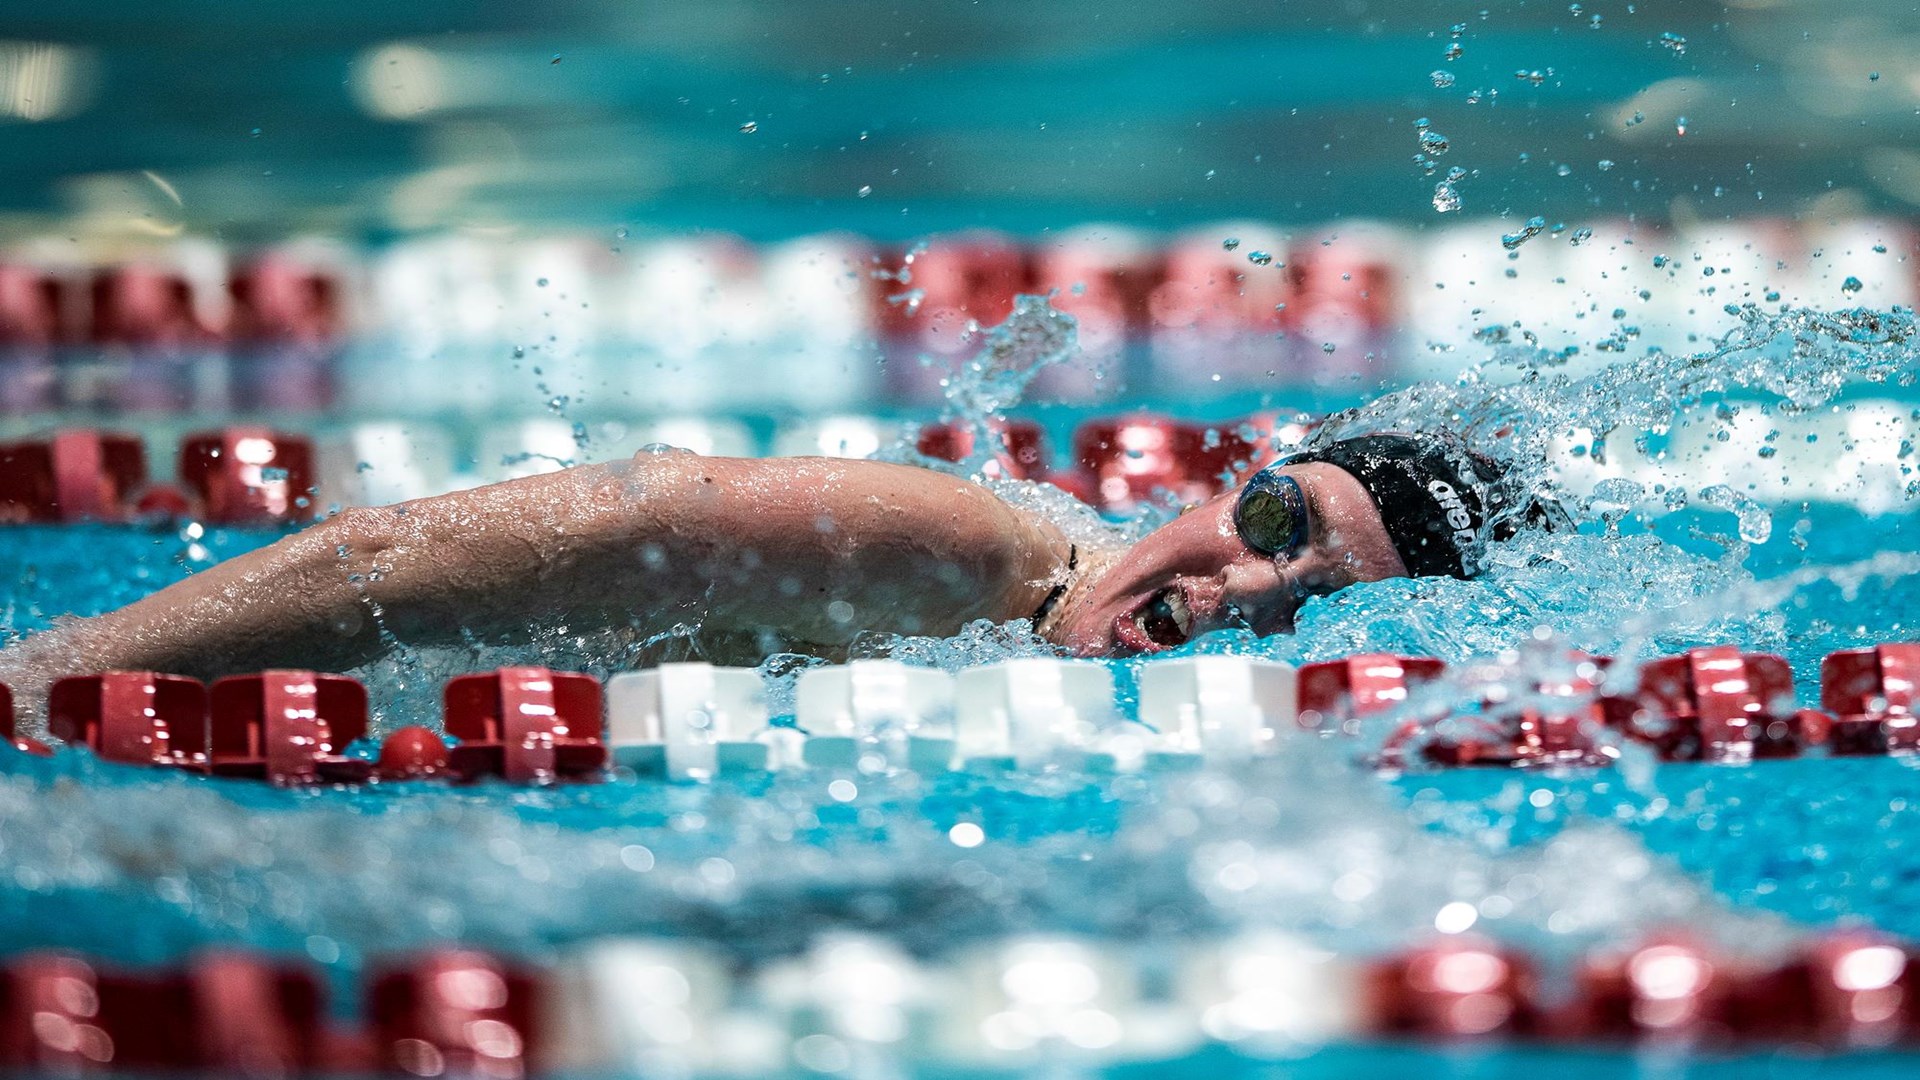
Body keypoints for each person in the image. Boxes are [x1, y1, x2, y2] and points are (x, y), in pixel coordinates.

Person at [0, 429, 1557, 712]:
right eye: (1276, 528)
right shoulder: (956, 552)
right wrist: (58, 674)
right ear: (1236, 482)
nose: (1247, 592)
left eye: (1321, 606)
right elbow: (399, 557)